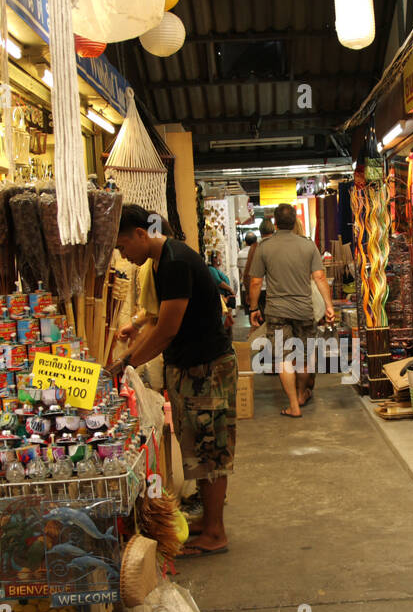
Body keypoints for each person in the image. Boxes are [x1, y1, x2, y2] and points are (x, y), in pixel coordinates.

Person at [114, 204, 236, 558]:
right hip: (190, 368)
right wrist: (130, 355)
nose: (123, 255)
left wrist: (127, 363)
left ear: (141, 233)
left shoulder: (175, 261)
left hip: (207, 370)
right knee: (197, 449)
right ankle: (209, 521)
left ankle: (215, 532)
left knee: (211, 453)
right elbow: (157, 322)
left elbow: (167, 329)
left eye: (123, 246)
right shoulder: (160, 261)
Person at [247, 203, 335, 418]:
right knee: (304, 356)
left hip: (277, 312)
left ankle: (293, 405)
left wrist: (253, 308)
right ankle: (302, 394)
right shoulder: (308, 246)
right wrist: (329, 306)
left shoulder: (264, 247)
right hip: (304, 310)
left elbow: (256, 282)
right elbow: (320, 277)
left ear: (275, 223)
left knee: (283, 358)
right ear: (295, 221)